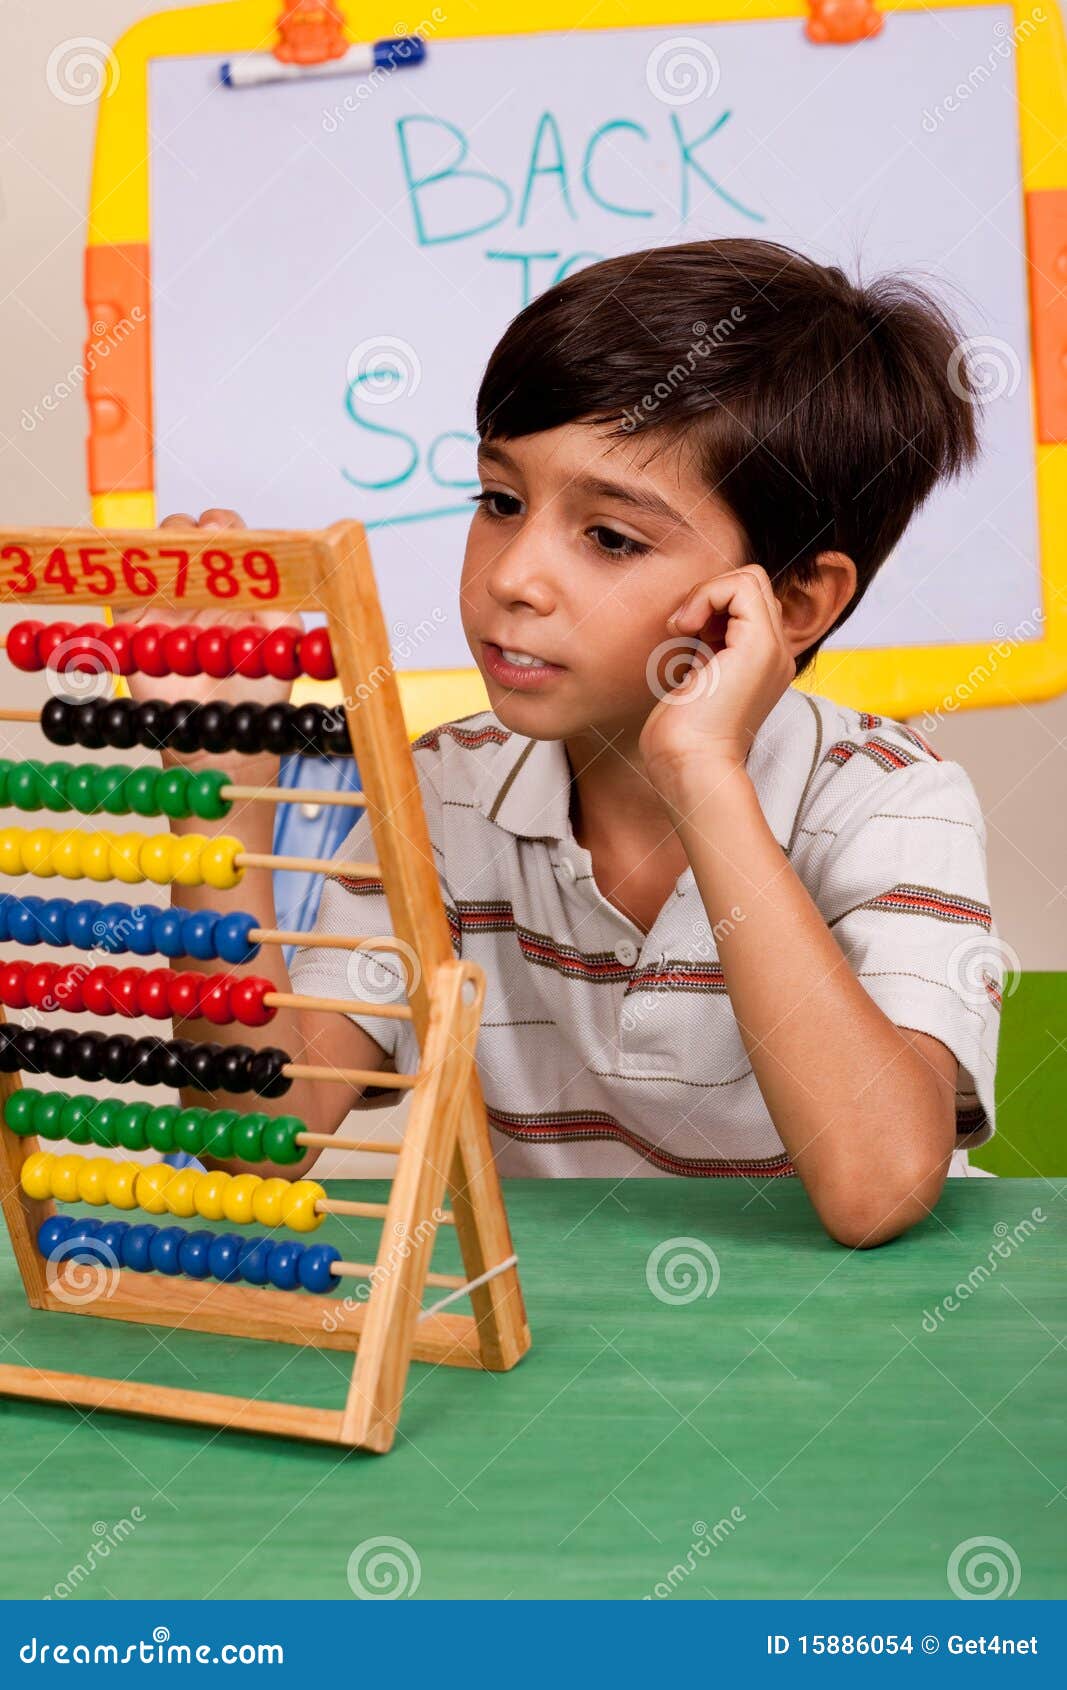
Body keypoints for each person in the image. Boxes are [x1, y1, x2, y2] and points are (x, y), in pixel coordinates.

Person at [146, 237, 1002, 1248]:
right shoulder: (443, 794)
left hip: (846, 1358)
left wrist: (702, 773)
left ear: (792, 600)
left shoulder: (888, 800)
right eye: (500, 502)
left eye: (609, 536)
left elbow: (873, 1191)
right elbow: (258, 1139)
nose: (514, 576)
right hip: (554, 1347)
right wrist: (217, 791)